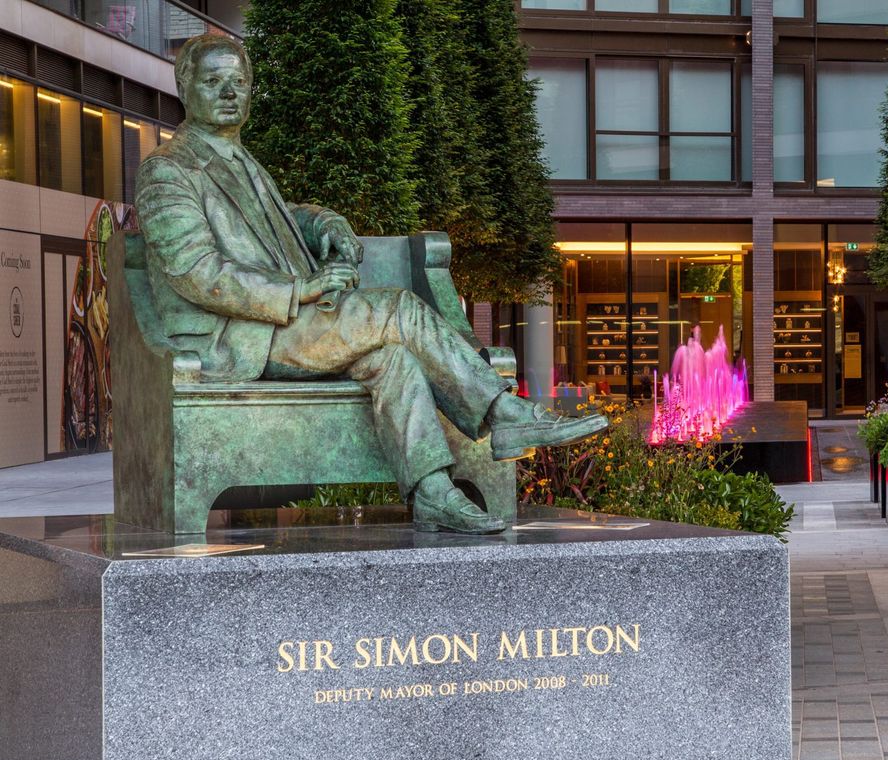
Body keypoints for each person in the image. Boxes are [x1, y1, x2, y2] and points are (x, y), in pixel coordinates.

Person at [135, 34, 606, 533]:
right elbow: (196, 272)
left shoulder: (237, 159)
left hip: (285, 326)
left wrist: (323, 222)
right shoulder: (168, 171)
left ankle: (432, 493)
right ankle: (503, 412)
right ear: (184, 87)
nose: (230, 92)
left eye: (239, 82)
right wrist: (302, 291)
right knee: (397, 309)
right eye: (214, 82)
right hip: (238, 337)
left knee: (395, 359)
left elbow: (274, 223)